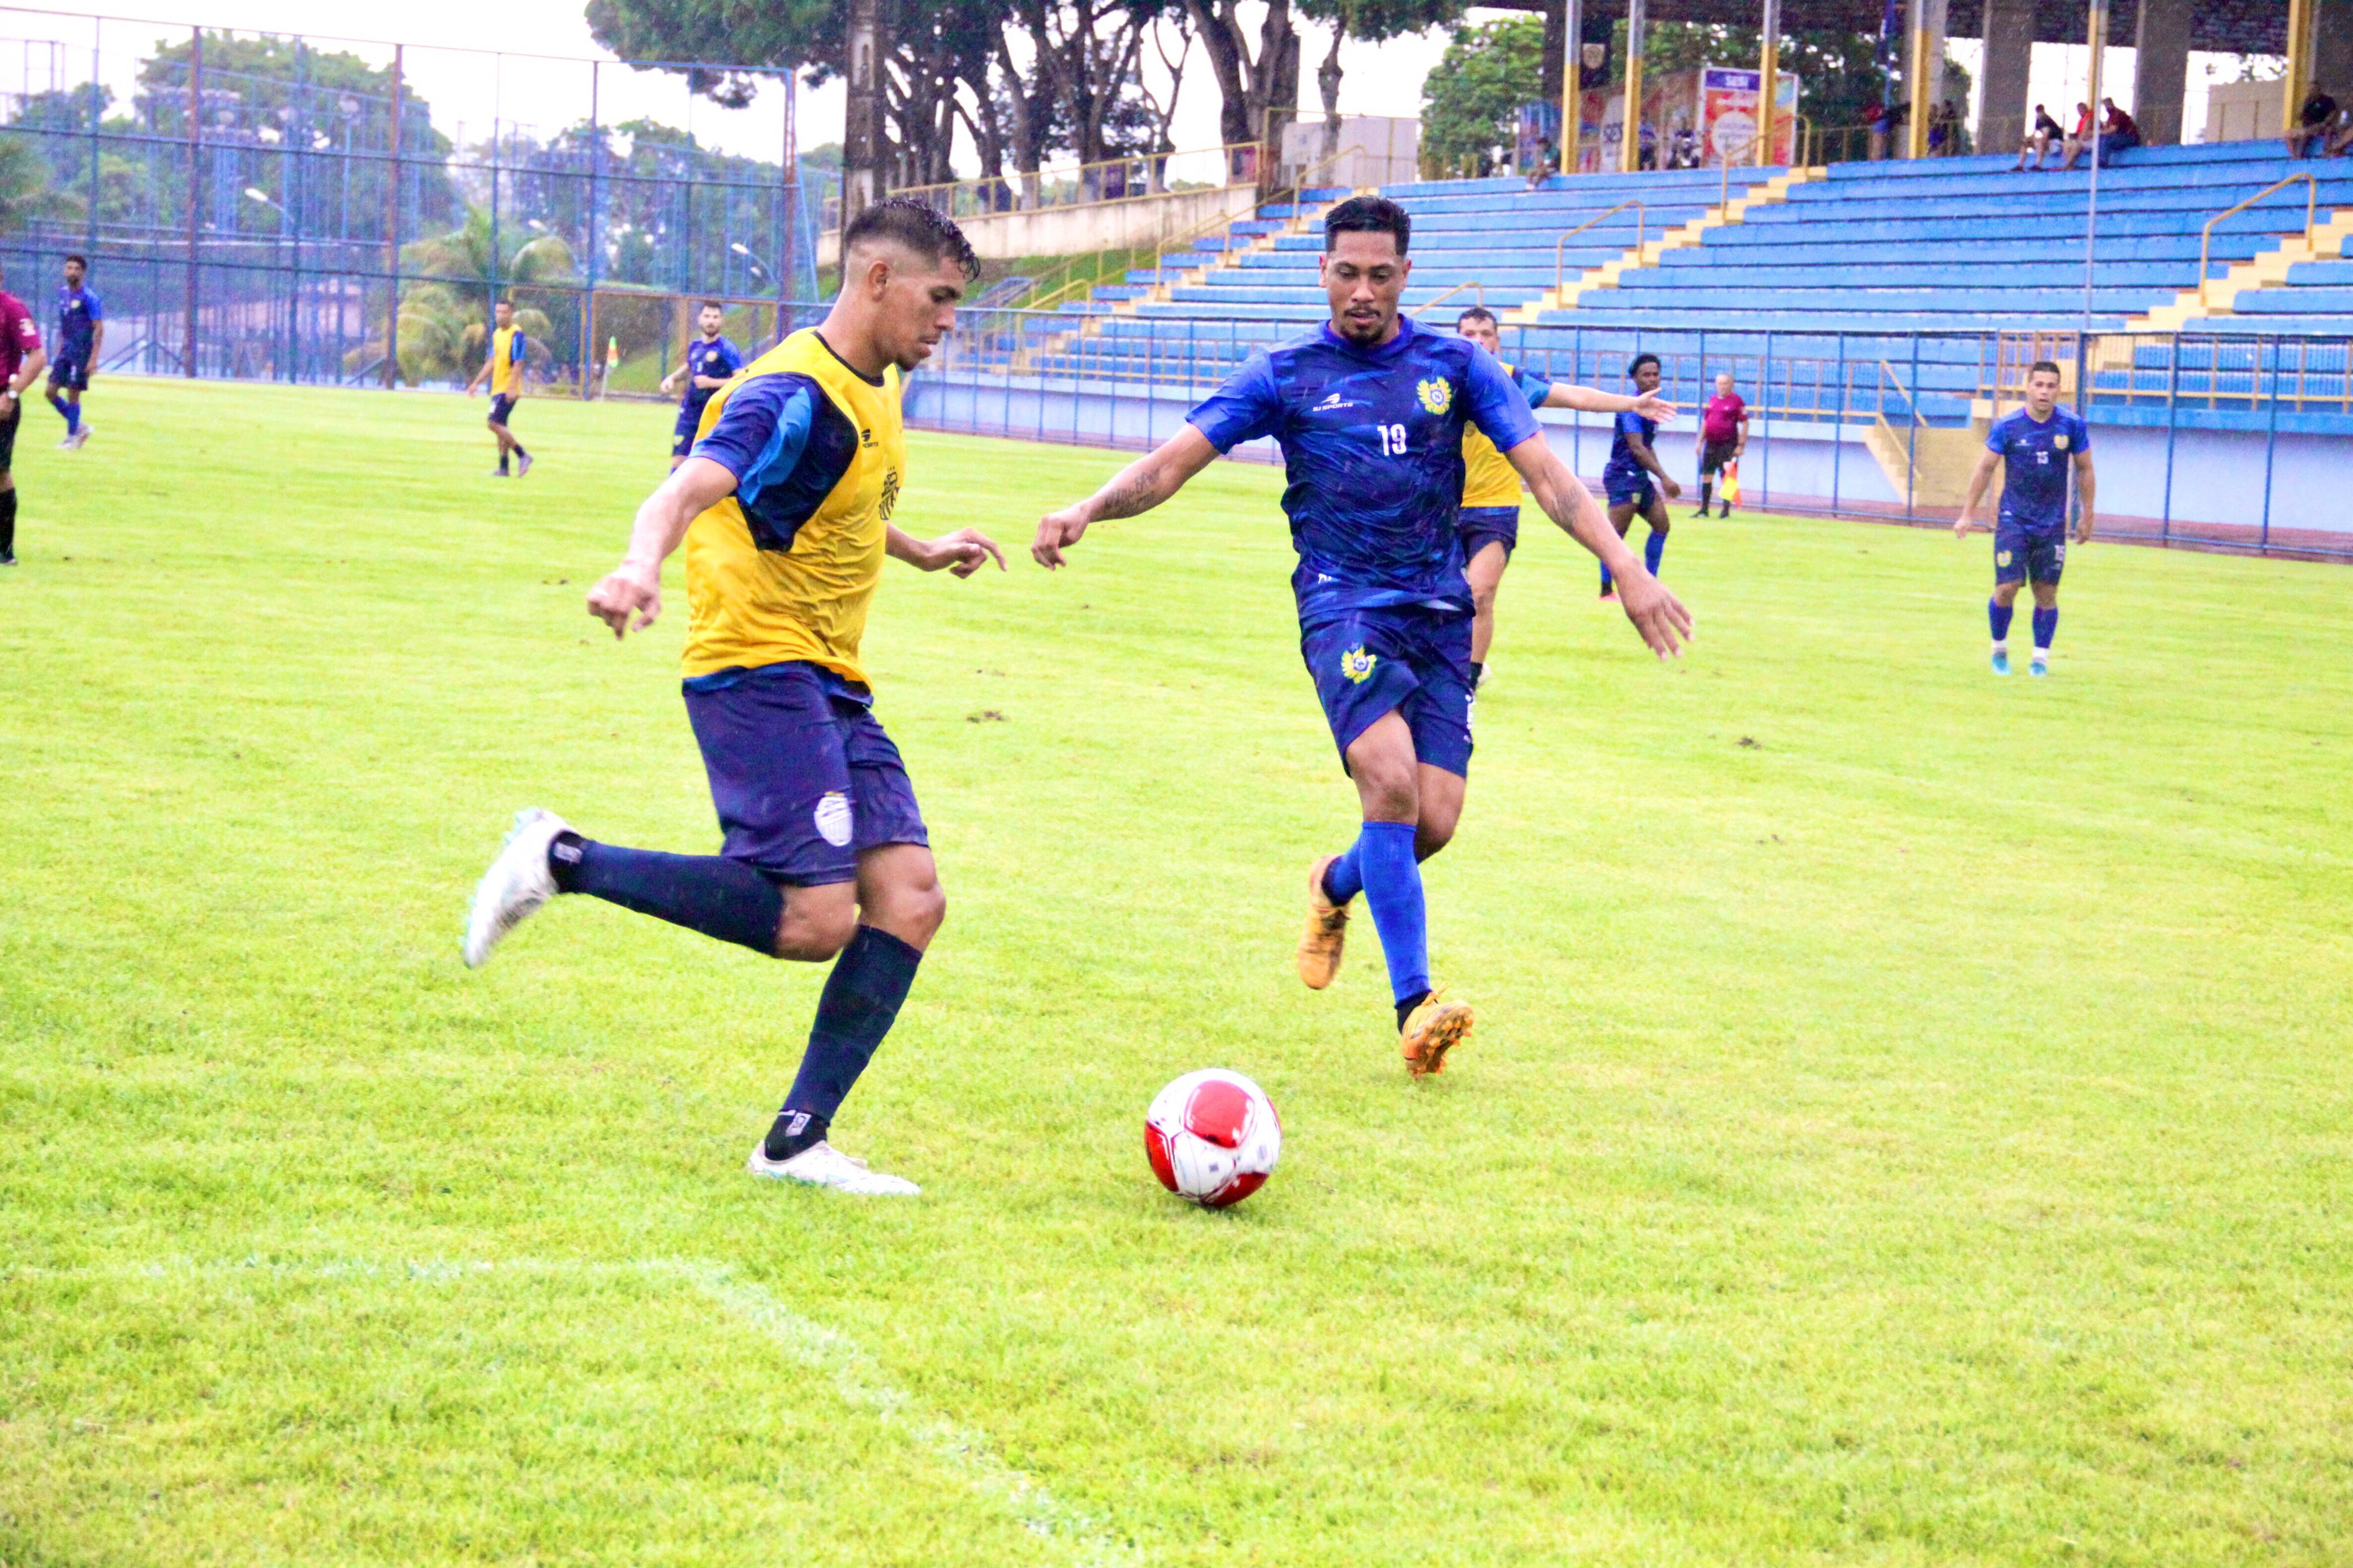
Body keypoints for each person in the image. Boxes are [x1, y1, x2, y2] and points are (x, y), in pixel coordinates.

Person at [1031, 196, 1691, 1078]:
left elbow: (1551, 479)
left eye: (1381, 275)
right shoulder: (1285, 374)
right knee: (1387, 783)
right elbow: (1171, 463)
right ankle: (1415, 1009)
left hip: (1439, 611)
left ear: (1406, 277)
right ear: (1323, 273)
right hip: (1342, 605)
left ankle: (1332, 884)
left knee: (1434, 822)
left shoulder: (1458, 367)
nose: (1364, 292)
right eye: (1348, 272)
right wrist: (1088, 508)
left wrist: (1630, 567)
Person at [462, 198, 1007, 1196]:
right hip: (757, 664)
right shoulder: (786, 388)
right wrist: (638, 566)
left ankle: (796, 1142)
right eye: (939, 299)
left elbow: (814, 500)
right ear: (876, 280)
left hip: (832, 676)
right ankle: (560, 857)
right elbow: (685, 488)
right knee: (813, 920)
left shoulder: (873, 387)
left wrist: (919, 548)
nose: (946, 323)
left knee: (911, 900)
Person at [1450, 304, 1675, 687]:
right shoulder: (1438, 381)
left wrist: (1632, 403)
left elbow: (1574, 396)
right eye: (1468, 334)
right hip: (1442, 509)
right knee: (1443, 602)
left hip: (1495, 508)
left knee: (1481, 593)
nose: (1477, 341)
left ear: (1497, 341)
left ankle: (1468, 680)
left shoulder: (1510, 381)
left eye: (1485, 334)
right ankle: (1452, 666)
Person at [1951, 359, 2094, 678]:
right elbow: (1985, 468)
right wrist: (1967, 515)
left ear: (2059, 390)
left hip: (2052, 523)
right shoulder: (2008, 426)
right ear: (2028, 387)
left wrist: (2088, 514)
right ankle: (1999, 651)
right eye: (2039, 385)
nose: (2044, 391)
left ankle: (2039, 660)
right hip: (2013, 518)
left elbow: (2085, 468)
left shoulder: (2071, 425)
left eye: (2051, 386)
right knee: (2007, 587)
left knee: (2046, 592)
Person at [1598, 352, 1682, 600]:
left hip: (1639, 475)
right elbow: (1636, 447)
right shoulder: (1632, 407)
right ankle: (1605, 589)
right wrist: (1665, 478)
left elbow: (1646, 445)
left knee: (1662, 524)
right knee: (1615, 535)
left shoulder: (1651, 408)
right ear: (1635, 378)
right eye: (1646, 375)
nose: (1652, 379)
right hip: (1624, 475)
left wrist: (1659, 474)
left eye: (1656, 374)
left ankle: (1650, 584)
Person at [658, 301, 745, 471]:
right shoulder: (695, 346)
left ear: (722, 321)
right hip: (689, 413)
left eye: (715, 317)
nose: (710, 321)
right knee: (678, 460)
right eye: (707, 316)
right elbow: (690, 366)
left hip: (714, 413)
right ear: (700, 319)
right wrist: (672, 378)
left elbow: (742, 380)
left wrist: (711, 383)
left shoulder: (727, 349)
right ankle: (676, 496)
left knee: (707, 464)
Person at [0, 259, 45, 567]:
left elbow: (38, 356)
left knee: (0, 473)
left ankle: (5, 550)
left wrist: (12, 394)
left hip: (1, 399)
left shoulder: (12, 309)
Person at [464, 299, 533, 477]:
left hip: (507, 388)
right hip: (497, 387)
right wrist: (476, 383)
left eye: (504, 312)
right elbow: (492, 362)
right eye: (498, 312)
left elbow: (518, 362)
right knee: (501, 426)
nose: (500, 315)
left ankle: (523, 455)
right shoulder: (497, 335)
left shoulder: (516, 334)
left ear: (511, 314)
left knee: (493, 423)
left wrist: (512, 388)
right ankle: (503, 468)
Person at [45, 253, 101, 450]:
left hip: (81, 352)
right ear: (64, 270)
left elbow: (98, 328)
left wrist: (93, 359)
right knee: (50, 392)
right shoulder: (62, 294)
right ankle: (80, 427)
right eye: (69, 268)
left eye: (77, 269)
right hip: (65, 351)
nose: (72, 272)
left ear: (83, 272)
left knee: (73, 394)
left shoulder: (90, 298)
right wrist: (59, 346)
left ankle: (71, 438)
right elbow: (65, 323)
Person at [1693, 372, 1747, 519]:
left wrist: (1741, 445)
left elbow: (1745, 423)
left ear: (1731, 385)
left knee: (1728, 477)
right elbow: (1706, 422)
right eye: (1719, 383)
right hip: (1711, 444)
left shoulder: (1737, 401)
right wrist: (1699, 442)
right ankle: (1704, 510)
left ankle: (1725, 511)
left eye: (1725, 383)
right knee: (1707, 475)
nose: (1722, 386)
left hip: (1728, 445)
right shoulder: (1712, 401)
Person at [2287, 85, 2338, 158]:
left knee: (2328, 130)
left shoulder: (2327, 100)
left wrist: (2322, 124)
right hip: (2309, 128)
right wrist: (2300, 112)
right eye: (2309, 90)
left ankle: (2326, 152)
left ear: (2319, 90)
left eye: (2313, 90)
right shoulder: (2308, 101)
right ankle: (2296, 156)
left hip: (2322, 126)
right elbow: (2300, 116)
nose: (2311, 92)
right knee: (2289, 134)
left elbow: (2332, 114)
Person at [2014, 104, 2064, 171]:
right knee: (2025, 142)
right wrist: (2028, 140)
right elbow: (2034, 134)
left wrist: (2036, 140)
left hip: (2056, 144)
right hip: (2049, 144)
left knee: (2040, 141)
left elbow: (2045, 137)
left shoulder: (2046, 119)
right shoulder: (2038, 120)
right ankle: (2020, 165)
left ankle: (2038, 165)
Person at [2055, 101, 2095, 171]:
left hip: (2090, 141)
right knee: (2067, 144)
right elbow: (2079, 133)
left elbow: (2085, 133)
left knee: (2075, 145)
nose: (2079, 112)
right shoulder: (2082, 119)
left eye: (2080, 110)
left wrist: (2078, 140)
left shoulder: (2090, 117)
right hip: (2082, 140)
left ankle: (2067, 166)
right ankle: (2070, 165)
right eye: (2078, 111)